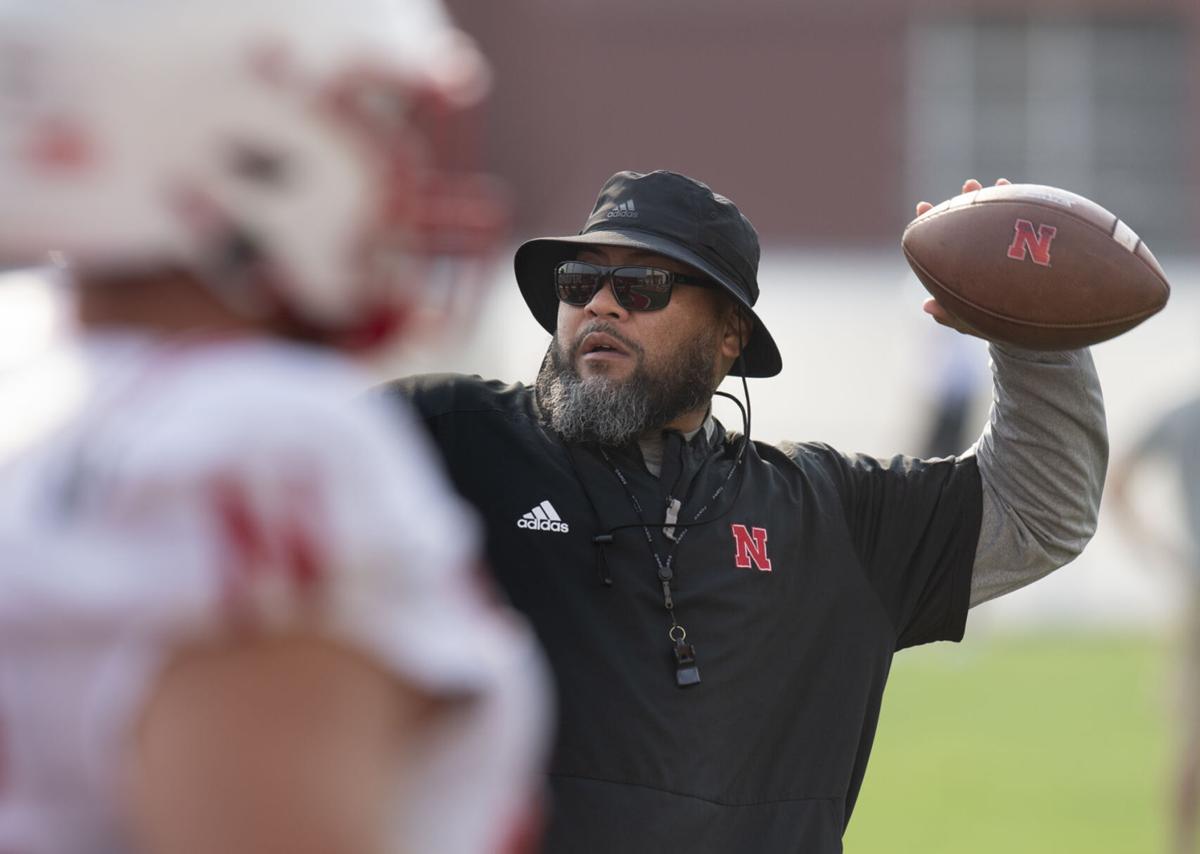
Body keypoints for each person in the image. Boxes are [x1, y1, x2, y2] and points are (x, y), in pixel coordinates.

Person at [379, 168, 1107, 853]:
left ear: (730, 334)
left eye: (643, 284)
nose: (600, 302)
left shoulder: (828, 511)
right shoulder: (447, 440)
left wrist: (1034, 336)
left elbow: (1039, 507)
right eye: (581, 280)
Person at [0, 2, 549, 853]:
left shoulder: (33, 378)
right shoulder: (263, 434)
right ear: (231, 135)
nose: (399, 170)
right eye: (370, 120)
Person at [1109, 392, 1200, 854]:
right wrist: (1152, 548)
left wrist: (1153, 548)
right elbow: (1120, 478)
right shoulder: (1186, 413)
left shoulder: (1184, 412)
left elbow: (1119, 478)